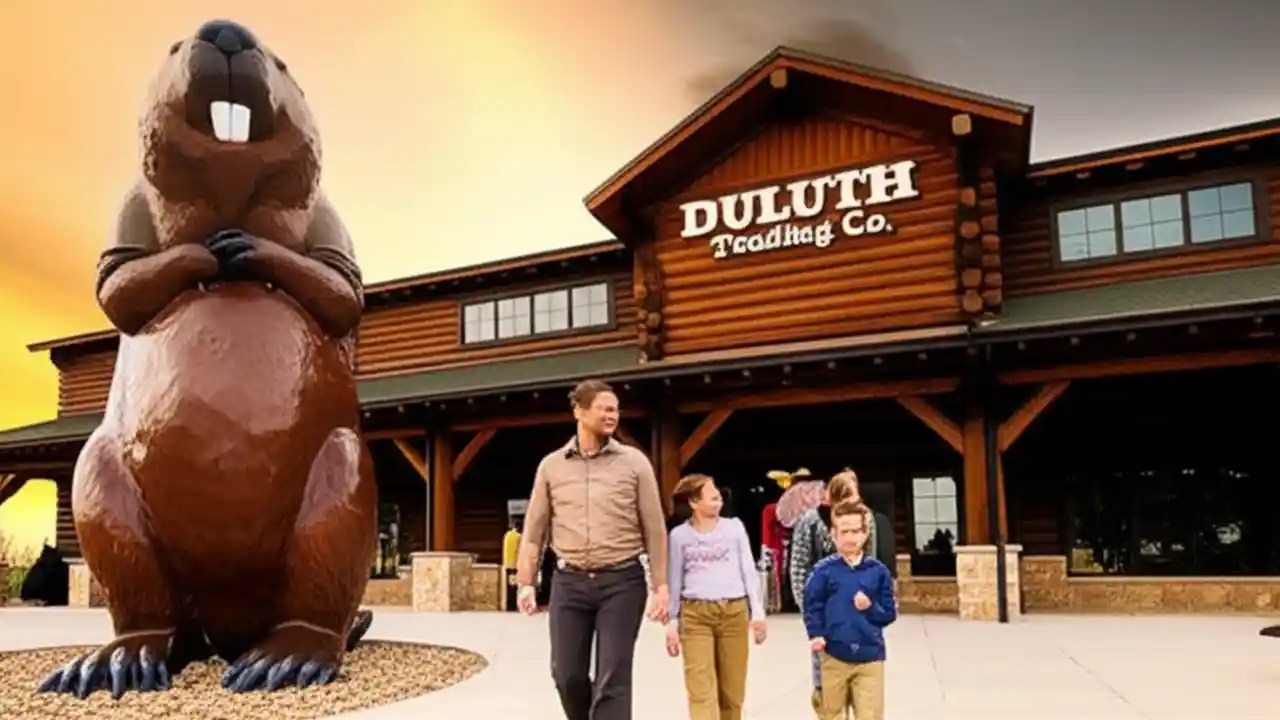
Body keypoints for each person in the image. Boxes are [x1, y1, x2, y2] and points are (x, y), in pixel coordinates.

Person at [515, 378, 669, 720]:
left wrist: (661, 585)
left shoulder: (635, 463)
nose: (612, 414)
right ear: (579, 412)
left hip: (622, 582)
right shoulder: (551, 466)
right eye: (604, 408)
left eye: (615, 409)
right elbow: (533, 530)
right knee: (566, 674)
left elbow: (655, 529)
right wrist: (526, 580)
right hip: (569, 583)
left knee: (612, 679)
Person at [665, 473, 767, 720]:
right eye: (710, 495)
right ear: (693, 502)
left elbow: (748, 570)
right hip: (695, 615)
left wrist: (758, 613)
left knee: (732, 693)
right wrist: (672, 620)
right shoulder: (679, 536)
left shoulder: (734, 528)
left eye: (718, 494)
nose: (717, 498)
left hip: (733, 612)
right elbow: (674, 579)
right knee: (701, 691)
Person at [803, 500, 897, 720]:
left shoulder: (878, 571)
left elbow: (889, 613)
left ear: (865, 534)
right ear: (833, 535)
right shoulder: (823, 572)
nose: (850, 537)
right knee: (831, 713)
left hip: (869, 657)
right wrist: (815, 634)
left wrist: (871, 608)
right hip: (834, 656)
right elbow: (812, 604)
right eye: (844, 531)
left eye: (856, 531)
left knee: (870, 714)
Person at [789, 471, 865, 714]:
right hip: (824, 612)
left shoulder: (864, 521)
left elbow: (872, 562)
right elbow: (799, 568)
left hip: (857, 613)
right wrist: (809, 610)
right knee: (825, 675)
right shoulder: (810, 522)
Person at [501, 520, 521, 612]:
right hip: (515, 564)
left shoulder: (506, 536)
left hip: (507, 564)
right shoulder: (518, 536)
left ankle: (509, 604)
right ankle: (513, 605)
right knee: (514, 587)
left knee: (508, 587)